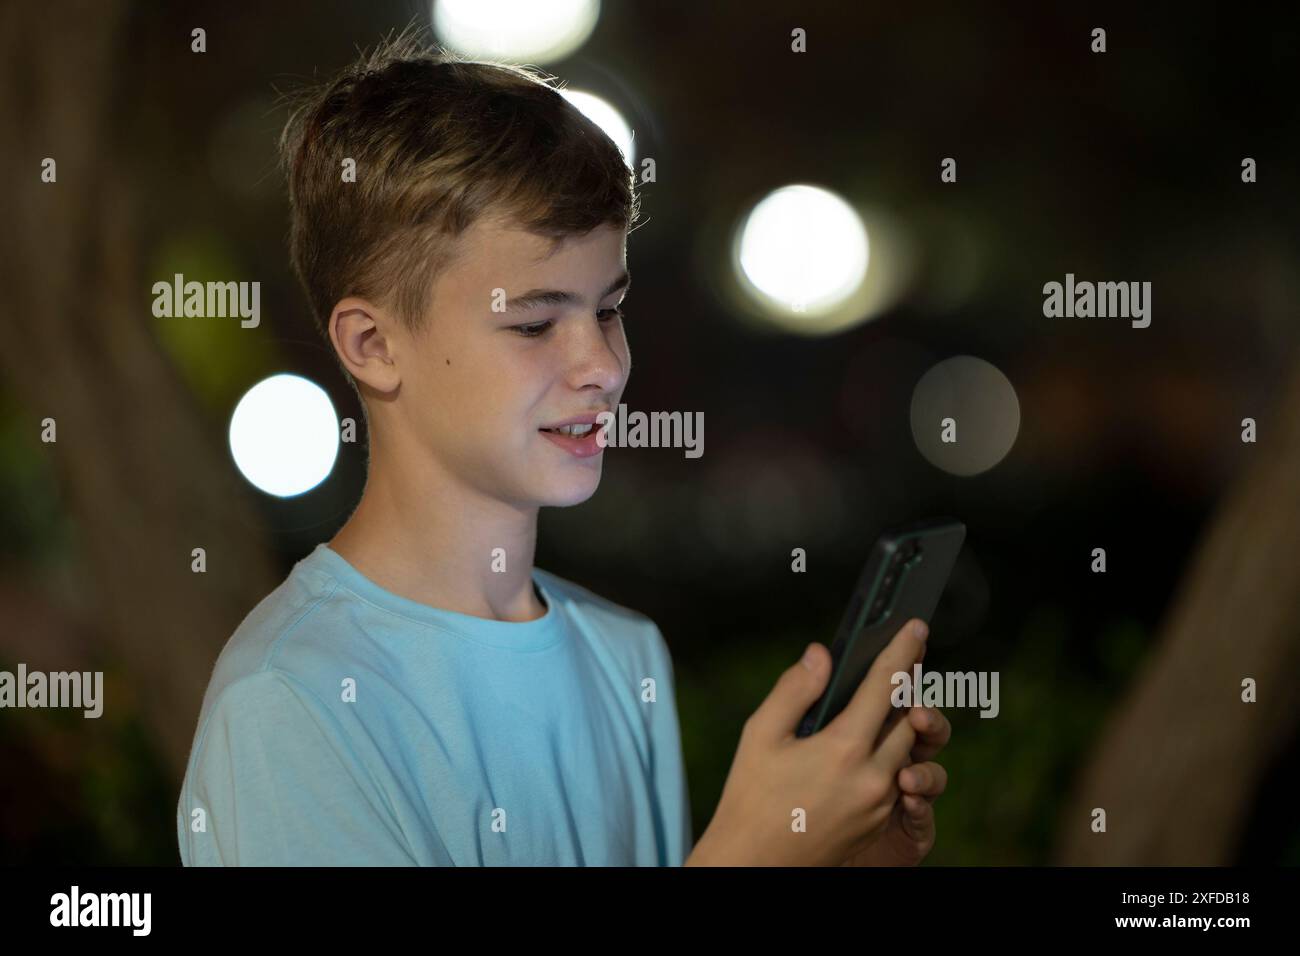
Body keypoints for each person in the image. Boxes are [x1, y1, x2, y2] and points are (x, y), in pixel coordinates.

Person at [176, 29, 950, 867]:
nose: (603, 366)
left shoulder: (624, 656)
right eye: (536, 322)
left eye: (608, 309)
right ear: (371, 344)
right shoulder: (291, 700)